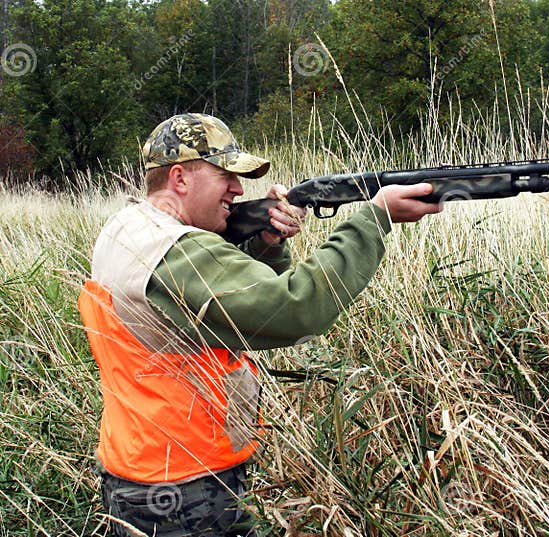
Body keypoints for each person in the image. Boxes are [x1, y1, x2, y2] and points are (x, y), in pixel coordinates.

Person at [78, 113, 441, 536]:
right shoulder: (177, 252)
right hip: (184, 488)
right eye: (225, 175)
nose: (237, 189)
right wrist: (373, 219)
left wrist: (265, 242)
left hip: (143, 468)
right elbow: (294, 309)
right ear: (180, 179)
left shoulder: (129, 227)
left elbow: (216, 308)